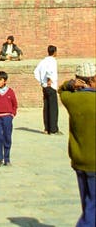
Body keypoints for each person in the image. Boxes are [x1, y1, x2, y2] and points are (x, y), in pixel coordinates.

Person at [59, 60, 96, 227]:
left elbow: (61, 89)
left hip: (79, 161)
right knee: (92, 209)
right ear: (92, 80)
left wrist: (70, 84)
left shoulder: (71, 99)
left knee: (88, 204)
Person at [0, 70, 18, 166]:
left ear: (5, 81)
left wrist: (12, 114)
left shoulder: (10, 92)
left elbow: (15, 104)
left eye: (0, 79)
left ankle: (7, 158)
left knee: (7, 137)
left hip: (7, 117)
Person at [34, 44, 61, 135]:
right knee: (53, 108)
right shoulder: (52, 61)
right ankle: (53, 129)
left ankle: (47, 128)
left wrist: (42, 82)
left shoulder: (43, 61)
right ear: (55, 52)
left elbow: (36, 71)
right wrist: (49, 80)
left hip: (44, 86)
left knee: (46, 107)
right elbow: (50, 71)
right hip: (51, 86)